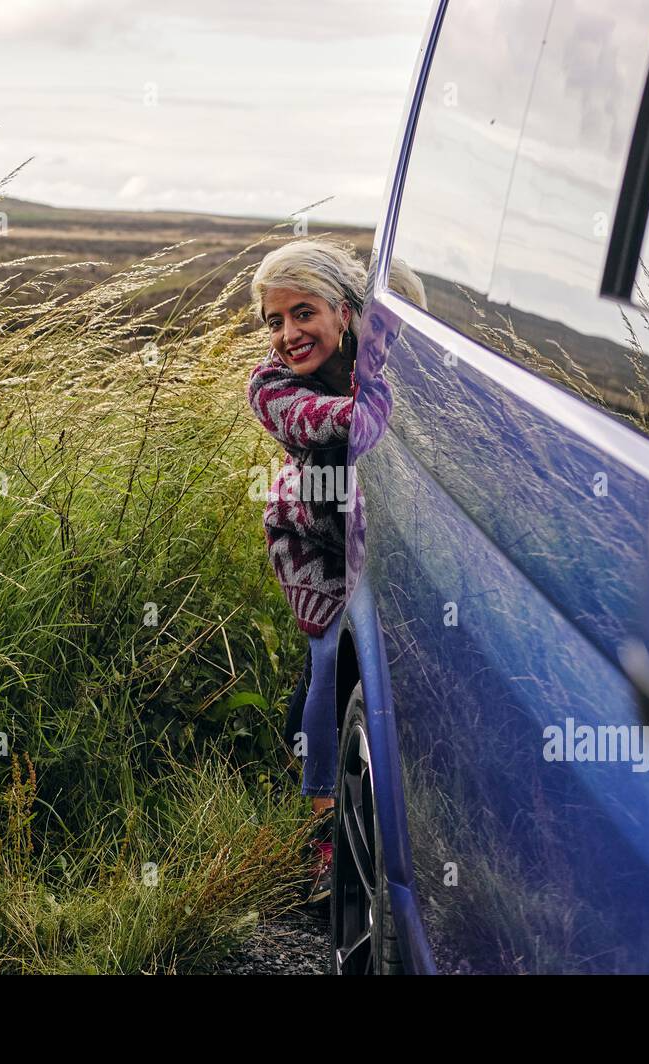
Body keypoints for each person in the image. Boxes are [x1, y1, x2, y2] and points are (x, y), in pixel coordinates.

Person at [247, 237, 366, 906]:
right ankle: (326, 838)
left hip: (379, 535)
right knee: (330, 657)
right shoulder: (270, 383)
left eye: (303, 313)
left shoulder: (382, 364)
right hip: (313, 545)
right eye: (275, 320)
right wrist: (372, 414)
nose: (288, 334)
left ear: (343, 311)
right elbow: (307, 419)